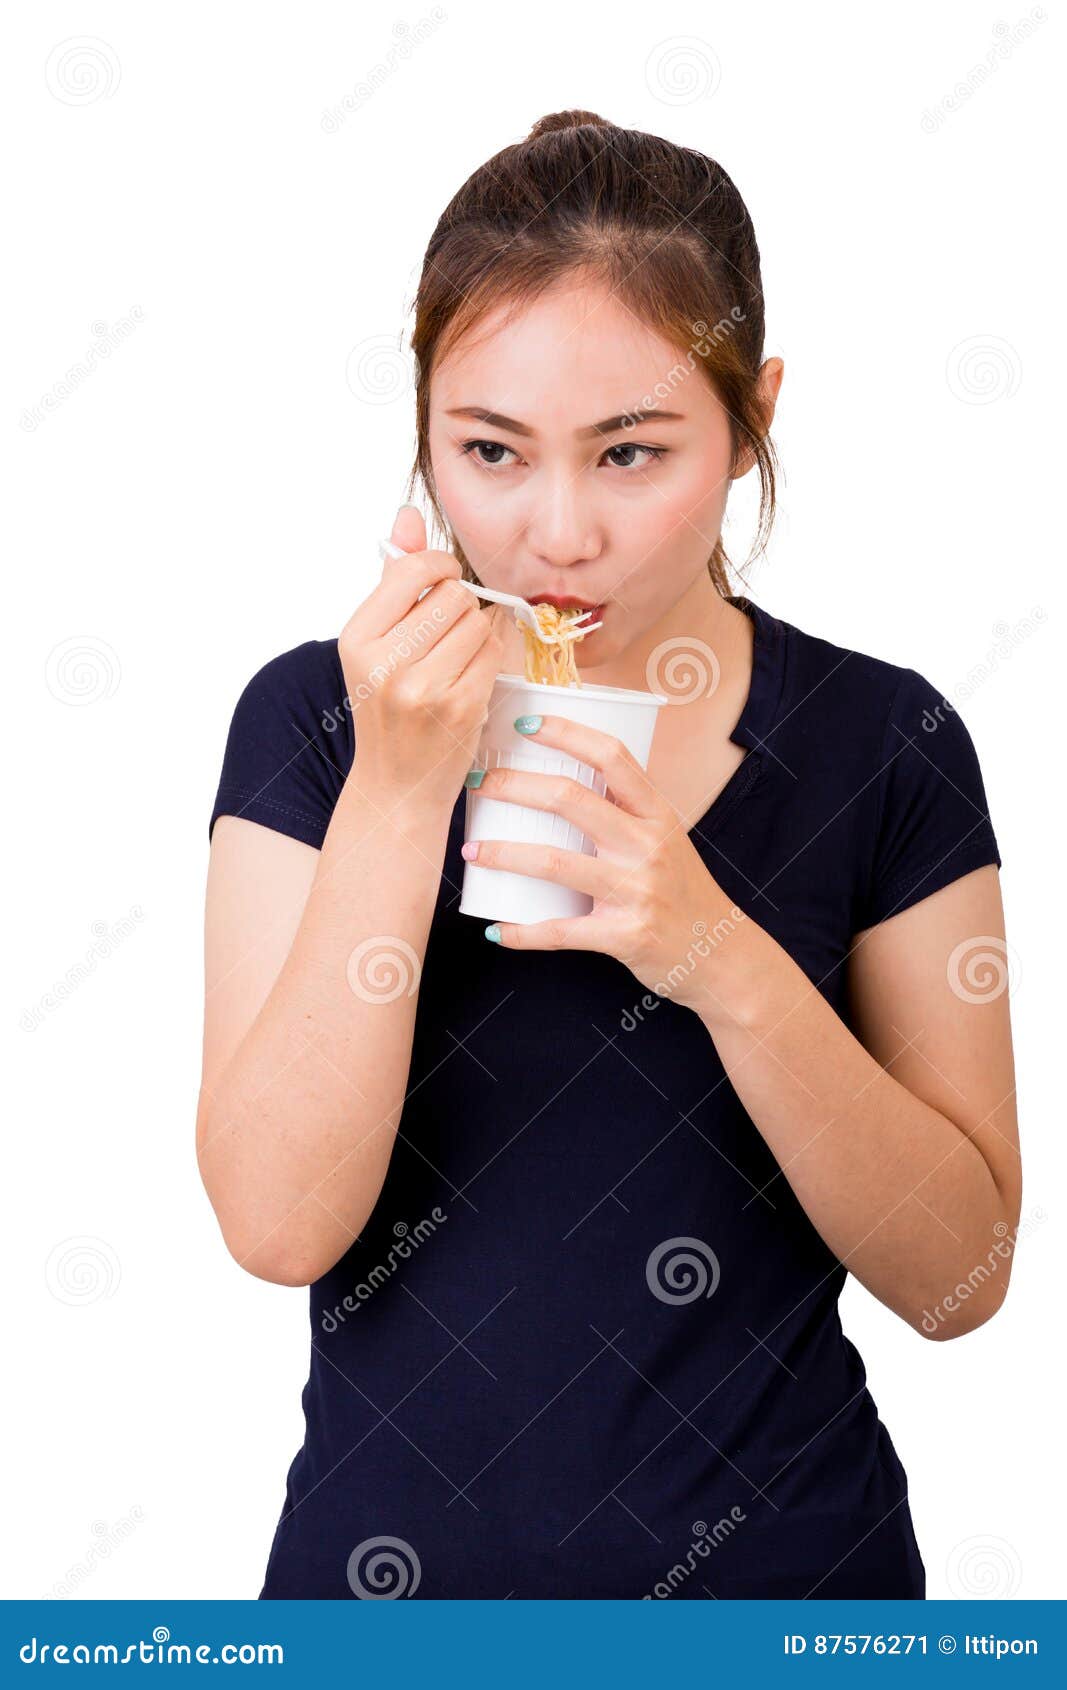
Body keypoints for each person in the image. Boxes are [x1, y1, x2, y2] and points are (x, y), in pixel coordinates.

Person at [196, 111, 1021, 1599]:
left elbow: (961, 1277)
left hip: (789, 1603)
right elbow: (275, 1221)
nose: (555, 534)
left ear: (753, 413)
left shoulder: (885, 742)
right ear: (424, 426)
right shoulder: (313, 722)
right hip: (383, 1609)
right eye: (489, 451)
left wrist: (713, 951)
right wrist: (396, 796)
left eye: (633, 451)